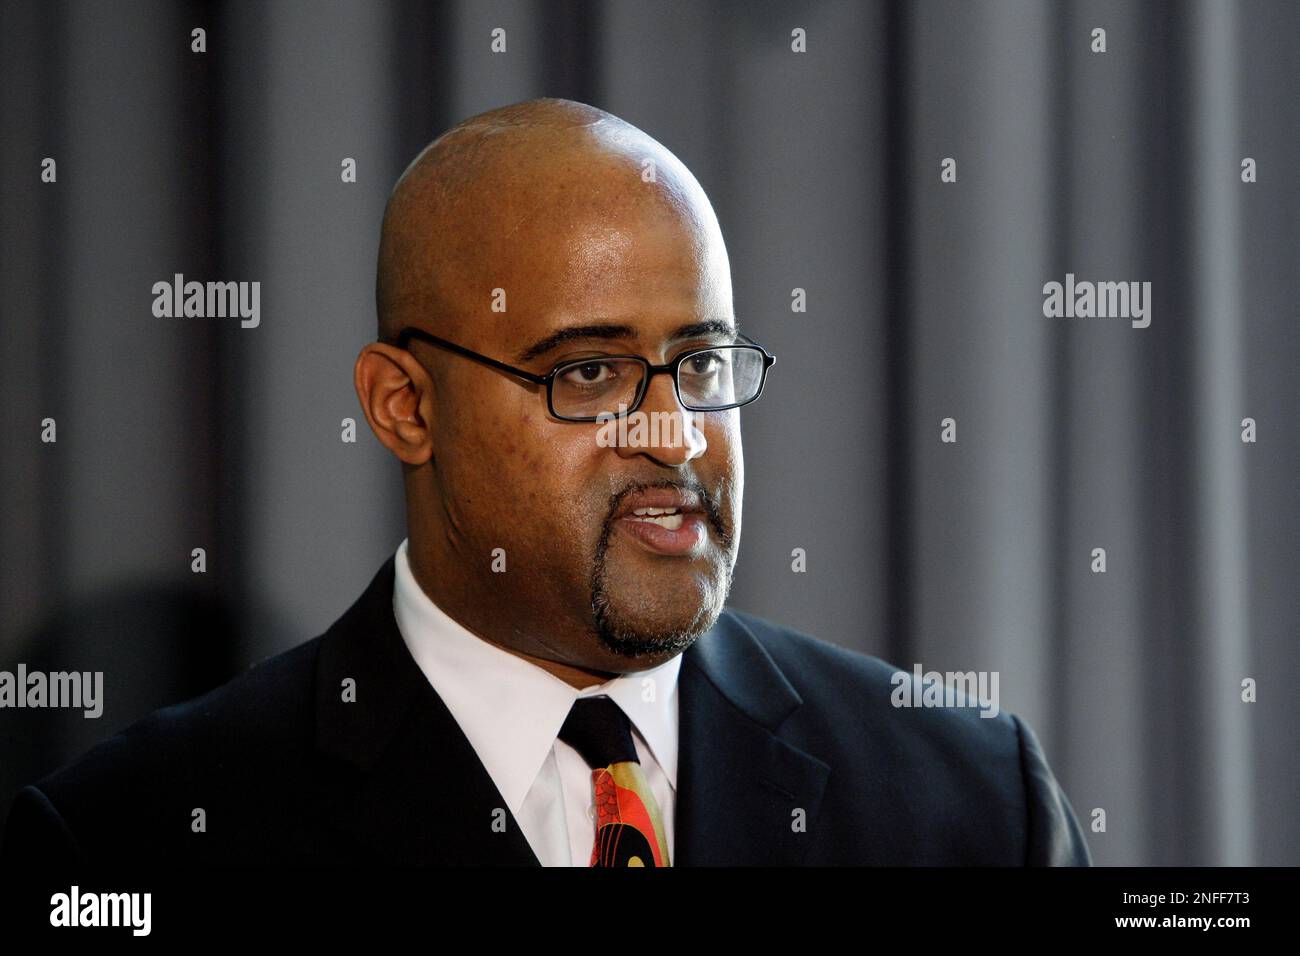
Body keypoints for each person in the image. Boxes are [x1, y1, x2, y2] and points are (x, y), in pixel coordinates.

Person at [1, 98, 1090, 866]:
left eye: (702, 363)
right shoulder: (130, 838)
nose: (673, 430)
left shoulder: (971, 797)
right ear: (404, 406)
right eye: (589, 371)